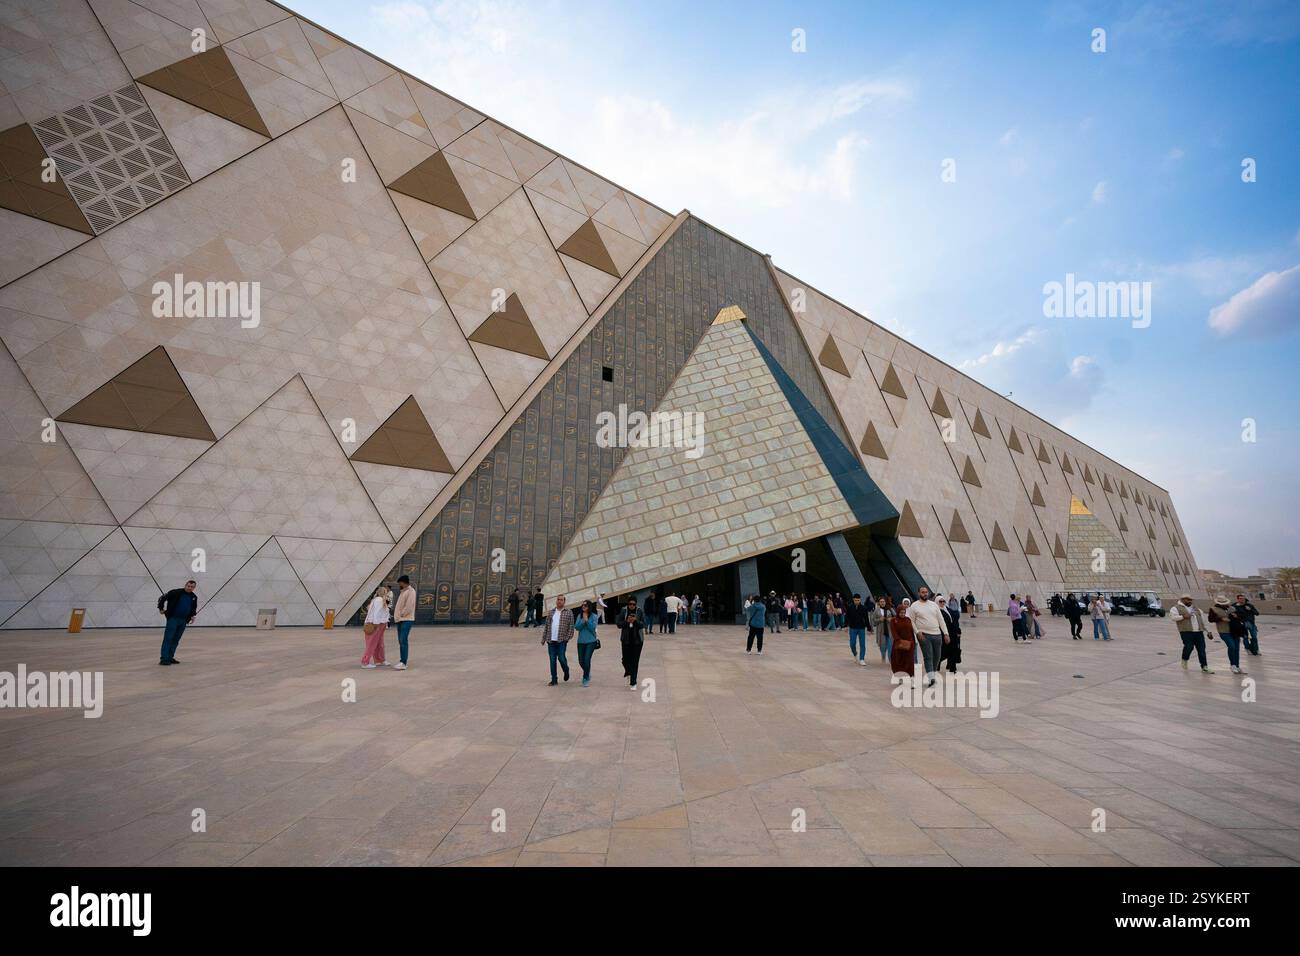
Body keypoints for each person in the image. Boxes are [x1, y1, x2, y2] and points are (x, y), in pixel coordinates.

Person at [906, 586, 949, 687]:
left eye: (926, 592)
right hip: (924, 635)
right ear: (919, 593)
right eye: (923, 592)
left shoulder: (934, 605)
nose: (925, 594)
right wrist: (917, 632)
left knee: (937, 656)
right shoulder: (914, 606)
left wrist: (946, 633)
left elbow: (941, 619)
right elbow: (911, 621)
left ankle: (932, 673)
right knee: (928, 656)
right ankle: (931, 677)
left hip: (937, 634)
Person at [1169, 594, 1214, 674]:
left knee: (1202, 650)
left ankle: (1204, 667)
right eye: (1188, 600)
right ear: (1182, 599)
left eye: (1190, 600)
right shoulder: (1175, 608)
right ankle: (1185, 659)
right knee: (1189, 647)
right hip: (1186, 632)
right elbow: (1173, 617)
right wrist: (1183, 617)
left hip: (1199, 632)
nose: (1190, 601)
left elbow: (1203, 621)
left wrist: (1209, 631)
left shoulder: (1197, 609)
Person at [156, 579, 198, 665]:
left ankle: (170, 657)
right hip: (173, 619)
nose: (190, 588)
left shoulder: (194, 597)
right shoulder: (175, 592)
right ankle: (164, 659)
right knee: (168, 638)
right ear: (185, 585)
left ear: (194, 588)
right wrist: (161, 608)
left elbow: (193, 608)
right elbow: (162, 598)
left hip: (183, 621)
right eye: (188, 586)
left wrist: (193, 616)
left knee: (176, 639)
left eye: (192, 587)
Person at [1208, 596, 1247, 675]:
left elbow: (1242, 616)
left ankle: (1237, 666)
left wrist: (1237, 616)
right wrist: (1221, 619)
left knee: (1236, 648)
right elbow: (1210, 619)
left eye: (1226, 603)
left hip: (1235, 630)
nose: (1225, 604)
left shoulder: (1232, 608)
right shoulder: (1213, 609)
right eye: (1223, 603)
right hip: (1223, 631)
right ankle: (1232, 665)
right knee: (1231, 646)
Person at [541, 594, 574, 685]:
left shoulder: (568, 612)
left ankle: (566, 670)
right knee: (552, 660)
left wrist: (567, 638)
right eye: (558, 599)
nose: (559, 601)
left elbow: (571, 626)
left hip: (562, 640)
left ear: (564, 601)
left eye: (561, 600)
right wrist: (544, 639)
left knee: (562, 658)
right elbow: (547, 626)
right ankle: (554, 679)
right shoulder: (551, 612)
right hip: (551, 640)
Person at [618, 597, 645, 688]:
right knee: (625, 660)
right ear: (628, 604)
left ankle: (633, 682)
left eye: (634, 604)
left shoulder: (640, 611)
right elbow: (618, 624)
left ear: (636, 604)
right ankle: (628, 672)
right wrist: (627, 621)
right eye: (630, 604)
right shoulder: (623, 610)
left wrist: (635, 621)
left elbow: (643, 624)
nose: (632, 606)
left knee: (635, 661)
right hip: (626, 640)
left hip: (637, 641)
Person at [361, 586, 390, 668]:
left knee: (379, 644)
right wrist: (376, 624)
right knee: (372, 644)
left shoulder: (378, 600)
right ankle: (365, 662)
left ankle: (380, 660)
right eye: (386, 592)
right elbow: (376, 613)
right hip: (376, 624)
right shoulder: (379, 600)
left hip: (379, 624)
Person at [889, 598, 916, 679]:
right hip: (898, 645)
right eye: (901, 612)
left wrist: (912, 642)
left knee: (909, 662)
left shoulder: (908, 619)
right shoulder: (894, 620)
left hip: (909, 644)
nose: (902, 614)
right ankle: (900, 676)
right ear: (897, 612)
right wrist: (899, 641)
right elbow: (894, 632)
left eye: (904, 612)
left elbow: (911, 631)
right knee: (898, 661)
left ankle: (911, 678)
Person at [393, 575, 416, 670]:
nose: (399, 584)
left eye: (400, 582)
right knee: (401, 641)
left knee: (403, 640)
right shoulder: (403, 592)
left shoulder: (411, 591)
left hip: (406, 620)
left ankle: (403, 662)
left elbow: (409, 606)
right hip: (401, 620)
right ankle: (402, 661)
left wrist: (401, 614)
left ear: (404, 582)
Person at [575, 599, 599, 686]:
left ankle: (585, 678)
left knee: (586, 659)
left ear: (589, 607)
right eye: (582, 605)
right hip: (581, 641)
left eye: (585, 605)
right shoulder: (579, 616)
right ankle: (587, 672)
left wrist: (587, 621)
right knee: (581, 661)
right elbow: (577, 627)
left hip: (591, 641)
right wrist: (583, 621)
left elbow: (593, 628)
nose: (583, 607)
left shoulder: (594, 616)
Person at [844, 593, 870, 665]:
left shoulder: (864, 608)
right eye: (855, 600)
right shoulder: (850, 607)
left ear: (860, 600)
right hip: (852, 628)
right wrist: (845, 626)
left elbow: (866, 619)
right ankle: (855, 653)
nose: (857, 601)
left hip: (861, 628)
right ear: (853, 600)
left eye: (858, 600)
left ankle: (862, 659)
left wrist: (869, 628)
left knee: (862, 644)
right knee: (852, 643)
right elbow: (847, 617)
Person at [939, 595, 962, 672]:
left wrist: (958, 630)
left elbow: (955, 621)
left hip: (952, 633)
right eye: (940, 601)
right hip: (943, 634)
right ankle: (937, 665)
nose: (942, 603)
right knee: (942, 651)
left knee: (953, 650)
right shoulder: (936, 611)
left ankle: (952, 667)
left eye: (943, 601)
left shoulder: (947, 609)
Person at [871, 596, 893, 662]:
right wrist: (879, 619)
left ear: (885, 602)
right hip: (881, 631)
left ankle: (890, 659)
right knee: (882, 646)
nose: (882, 603)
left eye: (883, 601)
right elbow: (873, 620)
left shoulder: (890, 609)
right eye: (881, 602)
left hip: (889, 631)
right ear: (878, 603)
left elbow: (896, 618)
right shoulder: (876, 610)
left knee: (890, 646)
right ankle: (883, 656)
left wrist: (891, 619)